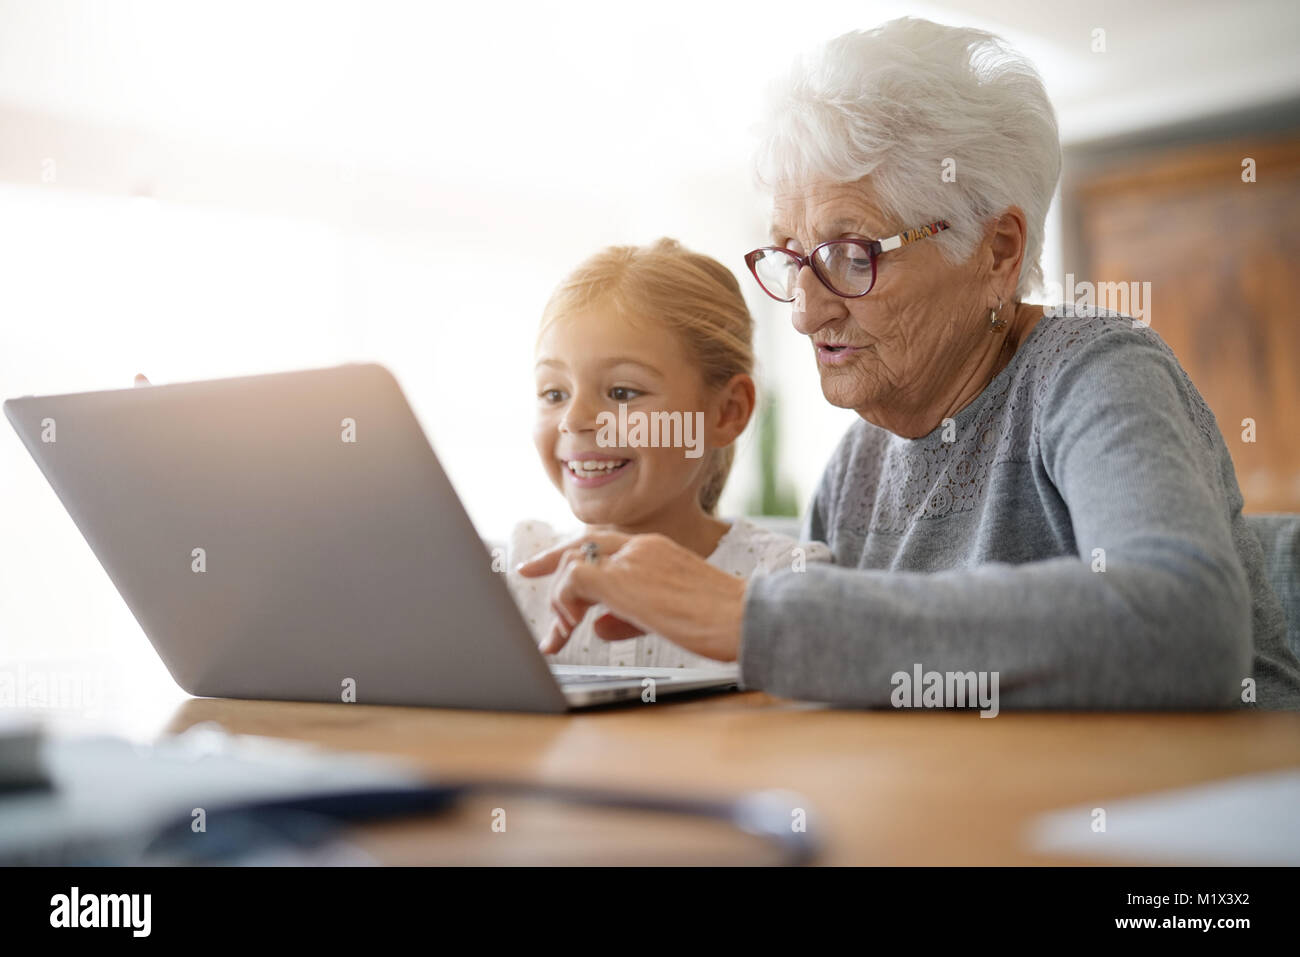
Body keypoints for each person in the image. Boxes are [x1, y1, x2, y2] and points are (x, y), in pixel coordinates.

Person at [518, 17, 1300, 709]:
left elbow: (1184, 626)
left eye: (850, 254)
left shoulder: (1093, 373)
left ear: (997, 251)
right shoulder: (856, 467)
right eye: (793, 258)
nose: (805, 309)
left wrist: (749, 617)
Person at [509, 238, 830, 669]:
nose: (574, 419)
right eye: (554, 393)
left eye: (622, 392)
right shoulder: (520, 574)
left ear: (725, 413)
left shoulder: (784, 581)